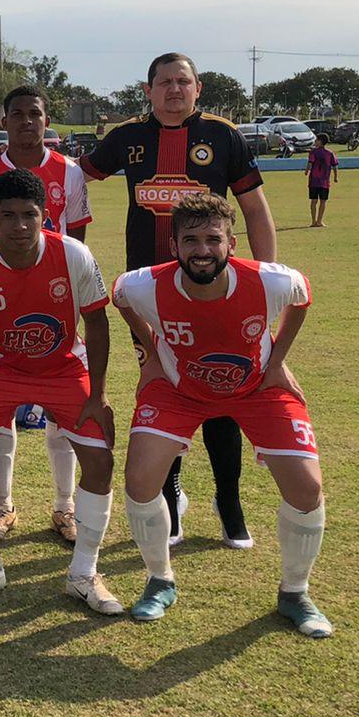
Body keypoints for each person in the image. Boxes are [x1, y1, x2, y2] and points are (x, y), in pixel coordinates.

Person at [110, 193, 332, 637]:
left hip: (256, 388)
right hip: (179, 389)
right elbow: (120, 298)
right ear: (174, 246)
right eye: (191, 240)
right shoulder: (143, 285)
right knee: (139, 480)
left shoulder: (269, 281)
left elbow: (302, 295)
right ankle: (159, 580)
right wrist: (151, 354)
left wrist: (277, 362)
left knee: (307, 489)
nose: (203, 250)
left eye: (213, 239)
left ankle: (295, 593)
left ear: (232, 243)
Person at [80, 53, 277, 549]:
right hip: (151, 298)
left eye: (182, 81)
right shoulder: (128, 137)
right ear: (148, 90)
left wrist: (263, 279)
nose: (174, 90)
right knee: (165, 387)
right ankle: (170, 497)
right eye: (164, 82)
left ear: (198, 88)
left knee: (224, 389)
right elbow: (74, 175)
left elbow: (254, 209)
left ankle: (228, 501)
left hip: (216, 292)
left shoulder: (223, 135)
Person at [0, 169, 121, 612]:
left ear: (45, 216)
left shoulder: (73, 254)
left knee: (100, 458)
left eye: (29, 215)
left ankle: (84, 572)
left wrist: (98, 393)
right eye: (8, 216)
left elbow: (97, 322)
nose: (19, 225)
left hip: (64, 367)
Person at [0, 86, 94, 545]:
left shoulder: (70, 173)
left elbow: (77, 241)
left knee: (63, 407)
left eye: (34, 113)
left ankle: (65, 506)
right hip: (2, 305)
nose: (26, 121)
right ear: (4, 121)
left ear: (46, 119)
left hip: (57, 302)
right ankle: (3, 505)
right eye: (17, 114)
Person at [307, 135, 339, 227]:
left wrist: (307, 170)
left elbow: (310, 163)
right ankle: (319, 221)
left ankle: (314, 221)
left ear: (320, 141)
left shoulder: (313, 152)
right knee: (322, 201)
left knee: (314, 201)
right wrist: (336, 176)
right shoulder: (330, 153)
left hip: (314, 181)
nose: (315, 141)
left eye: (317, 140)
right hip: (324, 182)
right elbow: (335, 165)